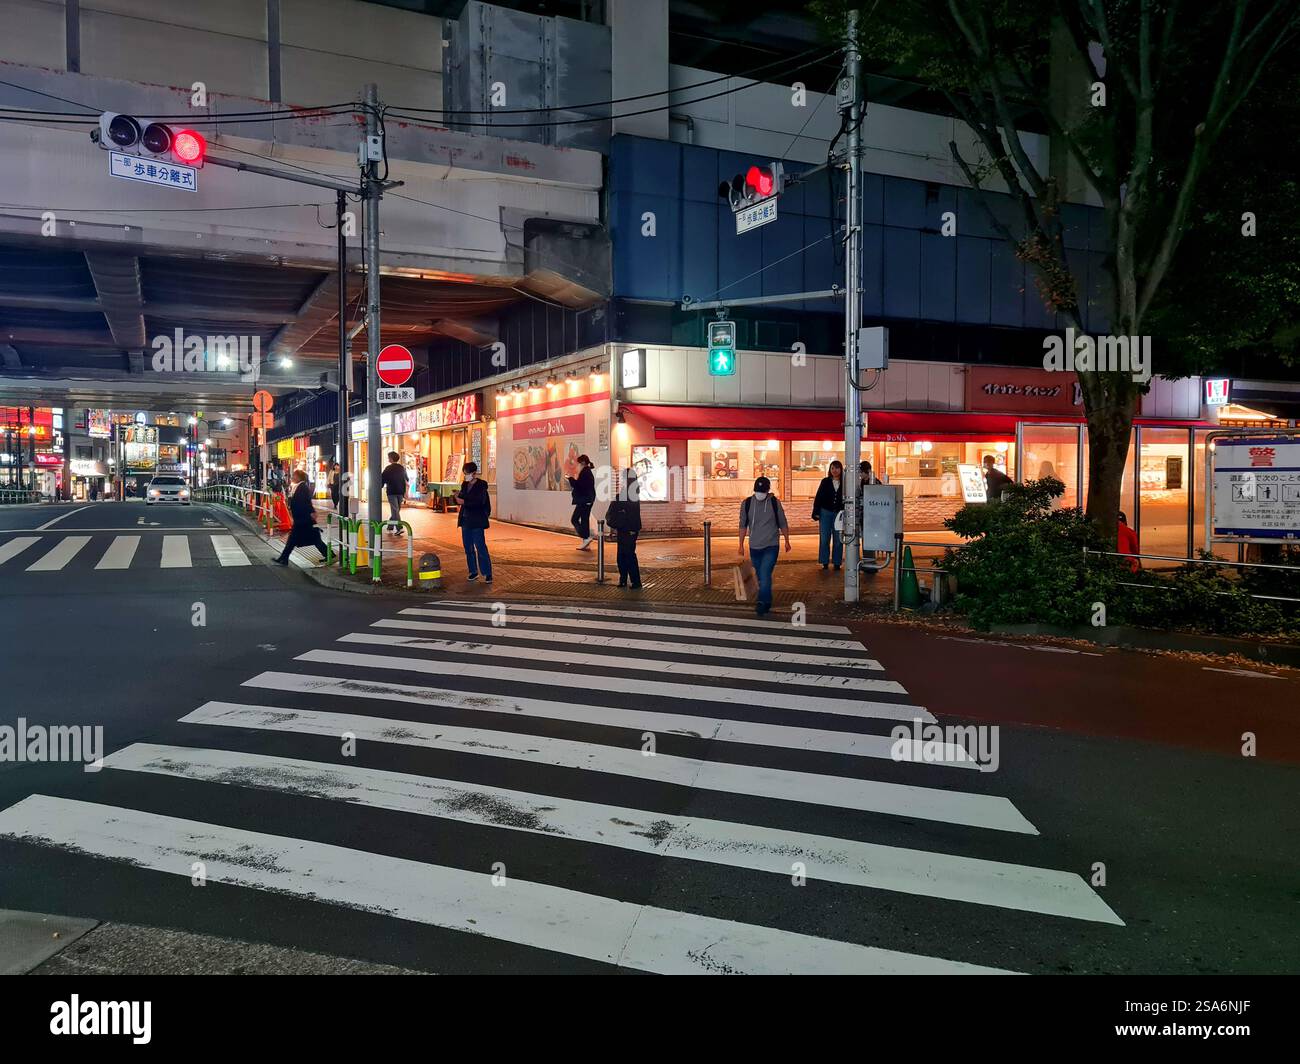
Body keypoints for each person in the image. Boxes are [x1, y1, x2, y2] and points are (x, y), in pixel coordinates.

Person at [738, 475, 791, 617]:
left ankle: (761, 602)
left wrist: (786, 540)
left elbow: (782, 522)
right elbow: (743, 525)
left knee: (765, 573)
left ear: (768, 491)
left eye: (762, 491)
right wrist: (740, 544)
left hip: (771, 545)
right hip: (754, 546)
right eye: (757, 491)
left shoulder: (774, 503)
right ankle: (767, 600)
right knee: (761, 575)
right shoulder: (747, 503)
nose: (760, 494)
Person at [277, 469, 327, 566]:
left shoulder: (302, 487)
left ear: (299, 477)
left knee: (299, 539)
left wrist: (311, 512)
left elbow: (306, 501)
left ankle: (284, 558)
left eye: (294, 475)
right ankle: (284, 558)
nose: (292, 477)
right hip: (302, 519)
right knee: (298, 539)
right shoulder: (299, 486)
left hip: (303, 519)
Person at [605, 469, 642, 589]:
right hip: (625, 528)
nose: (621, 479)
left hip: (629, 529)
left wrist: (632, 529)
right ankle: (623, 579)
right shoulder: (629, 490)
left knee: (628, 555)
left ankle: (635, 581)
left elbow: (629, 511)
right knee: (622, 554)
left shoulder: (631, 492)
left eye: (623, 477)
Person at [456, 461, 492, 584]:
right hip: (465, 520)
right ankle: (473, 571)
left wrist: (463, 502)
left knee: (480, 547)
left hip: (477, 520)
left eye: (468, 473)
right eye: (465, 473)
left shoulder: (481, 486)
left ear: (474, 473)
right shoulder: (464, 485)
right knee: (468, 547)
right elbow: (462, 497)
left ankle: (487, 573)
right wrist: (456, 497)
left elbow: (479, 502)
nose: (466, 476)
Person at [811, 460, 845, 571]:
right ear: (830, 470)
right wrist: (816, 512)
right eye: (832, 468)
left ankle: (837, 562)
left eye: (837, 468)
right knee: (824, 538)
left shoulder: (845, 483)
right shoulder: (825, 481)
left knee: (838, 538)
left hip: (839, 513)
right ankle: (824, 561)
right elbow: (819, 496)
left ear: (841, 469)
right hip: (825, 512)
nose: (835, 470)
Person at [567, 453, 596, 550]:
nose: (577, 465)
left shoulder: (585, 472)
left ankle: (585, 537)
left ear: (582, 463)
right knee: (584, 520)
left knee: (574, 519)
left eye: (578, 463)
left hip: (585, 500)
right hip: (587, 499)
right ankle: (586, 542)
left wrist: (570, 478)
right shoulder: (586, 472)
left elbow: (579, 486)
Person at [381, 451, 408, 534]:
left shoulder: (388, 468)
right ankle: (395, 527)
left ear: (391, 459)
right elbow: (406, 479)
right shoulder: (401, 468)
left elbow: (382, 479)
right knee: (396, 510)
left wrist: (380, 486)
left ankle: (396, 527)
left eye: (388, 457)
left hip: (391, 491)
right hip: (400, 491)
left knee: (395, 510)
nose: (388, 459)